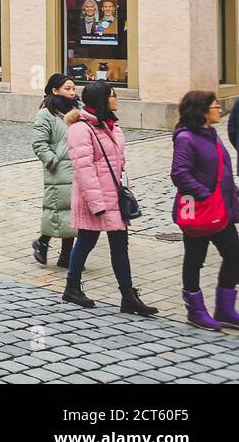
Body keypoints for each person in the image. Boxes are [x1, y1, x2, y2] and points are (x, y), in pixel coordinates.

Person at [62, 81, 157, 315]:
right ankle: (72, 287)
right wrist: (97, 205)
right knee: (86, 241)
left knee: (119, 245)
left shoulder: (111, 126)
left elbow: (118, 164)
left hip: (113, 197)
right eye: (113, 96)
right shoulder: (80, 129)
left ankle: (128, 296)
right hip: (93, 199)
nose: (116, 99)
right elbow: (84, 170)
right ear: (103, 100)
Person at [171, 90, 239, 330]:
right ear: (201, 110)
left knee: (234, 255)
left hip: (220, 210)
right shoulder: (186, 138)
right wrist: (206, 195)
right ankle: (196, 311)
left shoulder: (211, 133)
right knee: (194, 260)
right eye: (215, 106)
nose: (219, 109)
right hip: (199, 210)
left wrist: (232, 194)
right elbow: (179, 173)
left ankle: (225, 309)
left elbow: (222, 170)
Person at [31, 74, 81, 267]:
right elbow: (38, 143)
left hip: (77, 167)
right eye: (67, 89)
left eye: (73, 88)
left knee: (70, 211)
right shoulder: (46, 114)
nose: (72, 92)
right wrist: (52, 161)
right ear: (55, 90)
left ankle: (65, 255)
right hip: (59, 169)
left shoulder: (78, 110)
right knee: (57, 209)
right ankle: (43, 242)